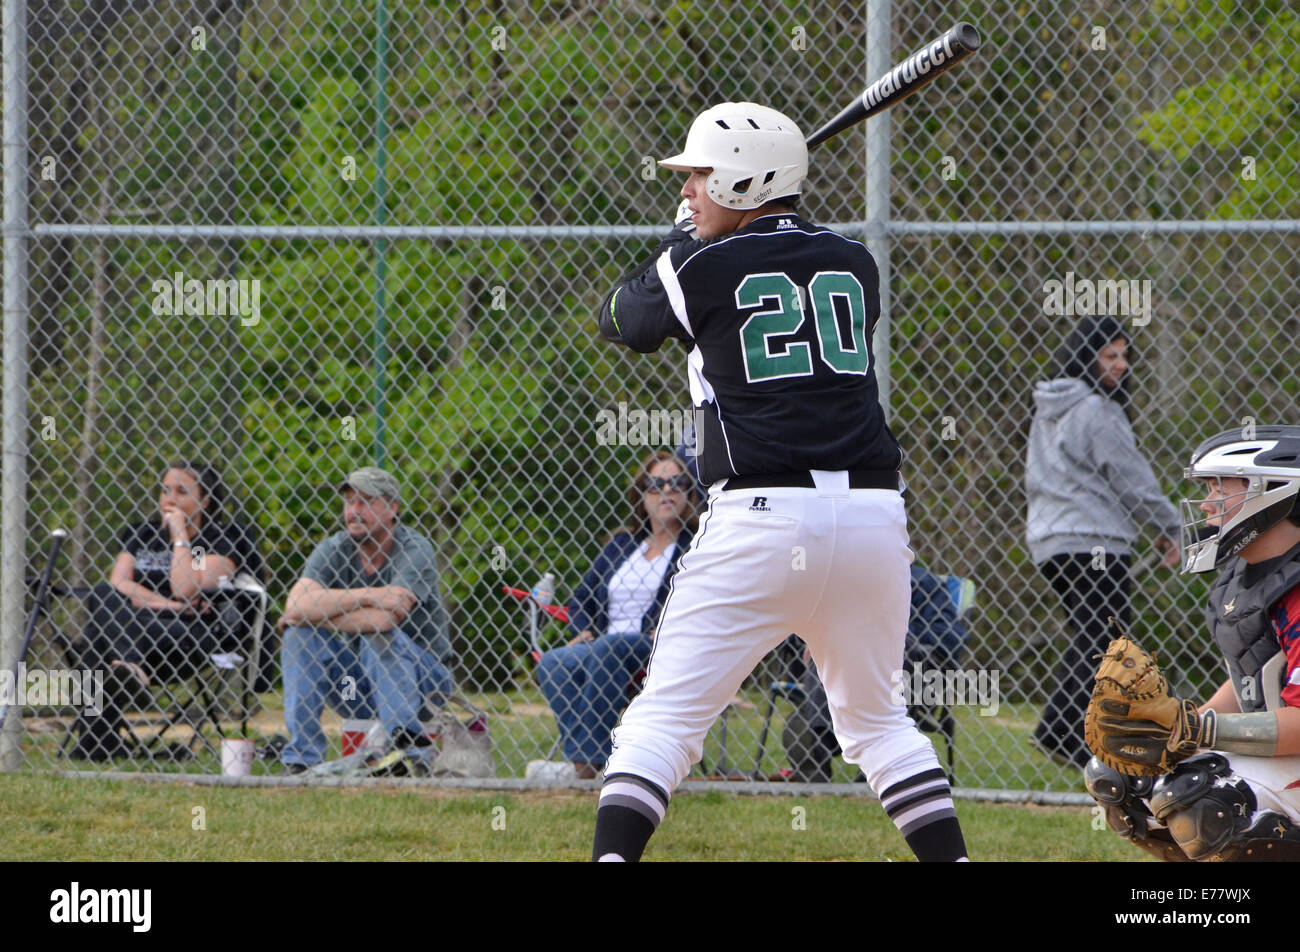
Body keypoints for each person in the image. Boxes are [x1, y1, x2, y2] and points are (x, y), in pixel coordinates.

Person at [590, 101, 969, 861]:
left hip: (760, 520)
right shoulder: (855, 261)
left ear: (741, 181)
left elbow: (620, 321)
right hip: (870, 517)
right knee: (879, 724)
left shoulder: (697, 264)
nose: (689, 189)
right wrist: (696, 241)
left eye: (700, 175)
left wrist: (676, 247)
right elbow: (769, 273)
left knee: (661, 721)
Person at [1085, 425, 1300, 861]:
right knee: (1125, 778)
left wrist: (1204, 733)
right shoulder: (1248, 576)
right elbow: (1249, 686)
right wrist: (1180, 729)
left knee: (1201, 798)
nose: (1204, 503)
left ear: (1273, 491)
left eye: (1220, 486)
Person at [1025, 314, 1181, 766]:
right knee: (1106, 638)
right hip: (1094, 541)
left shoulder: (1048, 409)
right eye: (1110, 355)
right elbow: (1133, 482)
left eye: (1125, 355)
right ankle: (1061, 732)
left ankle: (1063, 732)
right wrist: (1169, 527)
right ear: (1086, 357)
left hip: (1050, 540)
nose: (1120, 364)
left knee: (1094, 632)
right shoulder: (1096, 409)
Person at [68, 461, 263, 761]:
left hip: (186, 637)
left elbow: (186, 587)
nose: (169, 499)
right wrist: (166, 604)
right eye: (165, 490)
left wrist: (181, 536)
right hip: (138, 630)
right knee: (103, 596)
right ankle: (128, 670)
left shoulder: (218, 539)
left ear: (205, 501)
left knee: (96, 642)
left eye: (182, 491)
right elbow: (118, 582)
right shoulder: (144, 533)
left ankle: (97, 741)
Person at [279, 467, 454, 773]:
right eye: (349, 502)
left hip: (425, 685)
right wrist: (370, 595)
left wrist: (318, 614)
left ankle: (409, 753)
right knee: (299, 636)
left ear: (392, 508)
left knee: (378, 635)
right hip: (357, 687)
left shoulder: (414, 548)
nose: (354, 512)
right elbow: (295, 606)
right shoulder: (335, 548)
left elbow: (385, 620)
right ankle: (302, 763)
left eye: (365, 502)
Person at [536, 450, 698, 779]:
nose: (667, 491)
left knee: (610, 647)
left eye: (676, 483)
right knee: (553, 662)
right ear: (641, 496)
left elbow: (702, 599)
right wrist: (581, 630)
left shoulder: (695, 546)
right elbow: (581, 597)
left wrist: (668, 627)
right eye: (655, 484)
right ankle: (599, 759)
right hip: (603, 645)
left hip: (658, 645)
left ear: (688, 494)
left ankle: (586, 767)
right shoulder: (621, 545)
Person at [781, 563, 970, 783]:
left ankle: (850, 746)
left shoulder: (924, 583)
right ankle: (818, 743)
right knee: (827, 641)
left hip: (903, 679)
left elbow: (949, 639)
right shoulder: (844, 584)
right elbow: (794, 636)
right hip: (844, 674)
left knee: (893, 642)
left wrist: (890, 632)